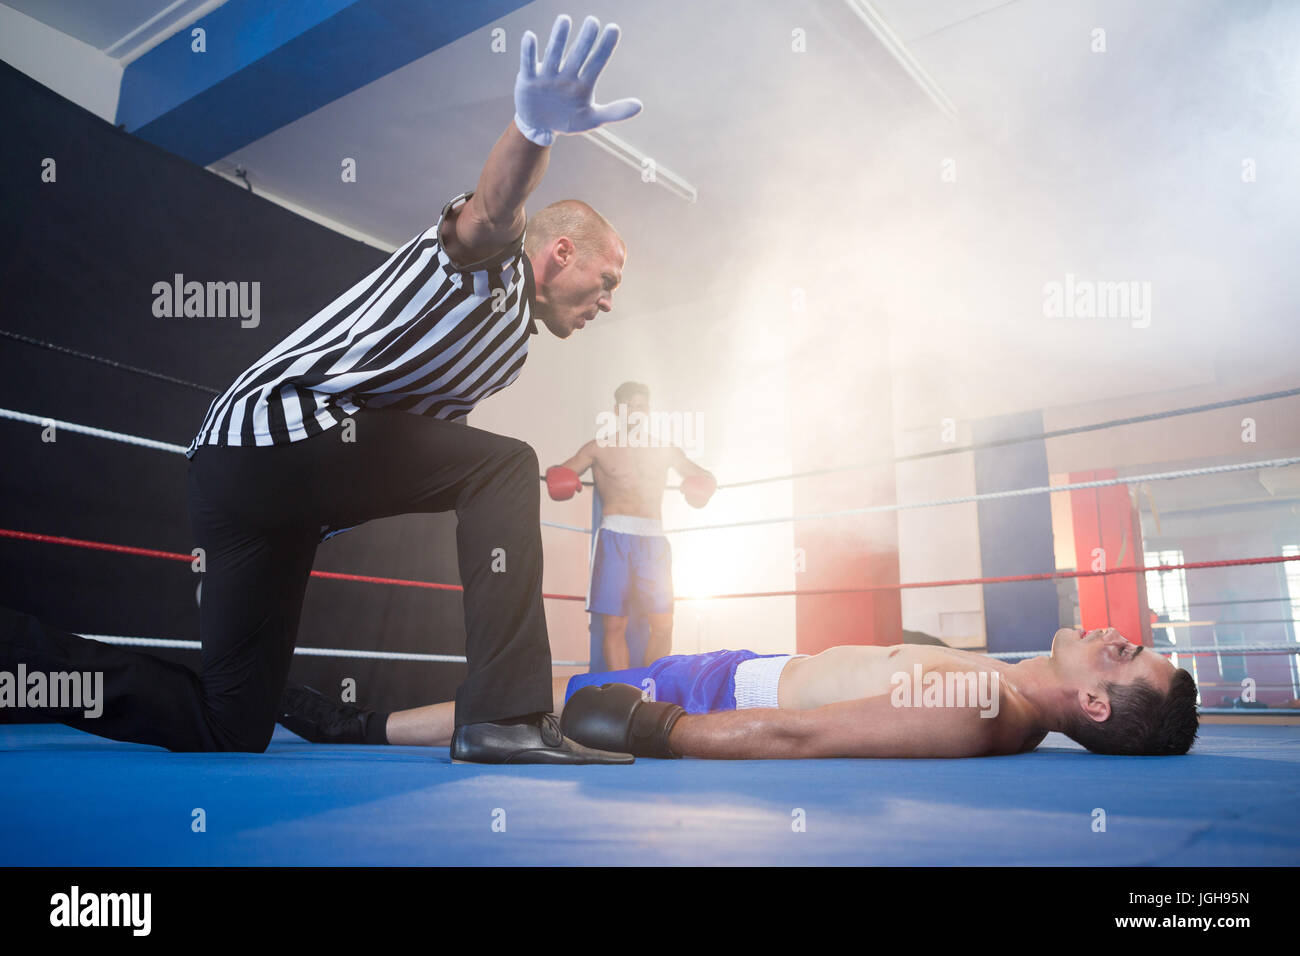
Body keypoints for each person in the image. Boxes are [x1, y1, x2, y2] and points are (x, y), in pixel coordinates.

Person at [0, 14, 644, 765]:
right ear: (561, 253)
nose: (607, 302)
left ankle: (18, 659)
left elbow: (410, 438)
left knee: (229, 727)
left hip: (241, 477)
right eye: (607, 280)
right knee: (503, 466)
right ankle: (506, 715)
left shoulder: (505, 352)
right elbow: (490, 215)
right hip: (277, 436)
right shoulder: (494, 276)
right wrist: (534, 129)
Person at [280, 626, 1200, 758]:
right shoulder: (998, 684)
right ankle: (362, 722)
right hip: (741, 662)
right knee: (547, 684)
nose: (1124, 637)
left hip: (724, 689)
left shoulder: (982, 704)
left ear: (1094, 705)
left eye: (1128, 663)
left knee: (547, 694)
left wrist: (662, 728)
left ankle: (355, 730)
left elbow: (803, 736)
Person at [544, 382, 716, 669]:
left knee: (663, 624)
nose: (638, 413)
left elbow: (703, 476)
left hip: (654, 540)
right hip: (615, 537)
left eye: (642, 407)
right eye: (631, 407)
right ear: (617, 411)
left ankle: (651, 689)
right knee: (614, 626)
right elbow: (560, 474)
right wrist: (563, 479)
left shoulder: (664, 449)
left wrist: (702, 483)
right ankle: (623, 696)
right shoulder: (598, 448)